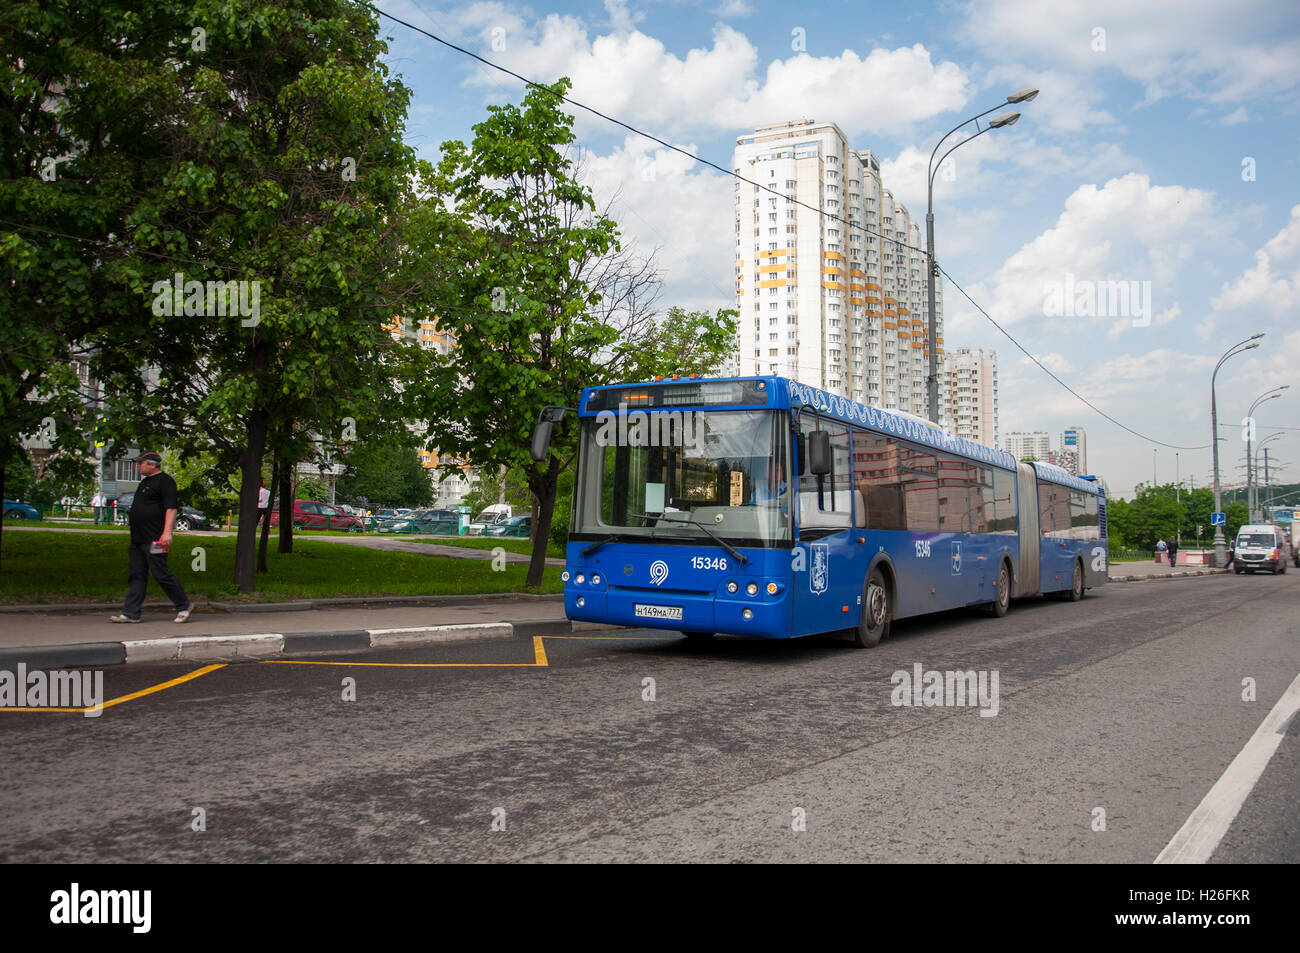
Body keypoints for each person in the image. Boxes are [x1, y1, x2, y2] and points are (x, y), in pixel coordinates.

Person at [109, 451, 194, 624]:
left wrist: (167, 532)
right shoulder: (145, 482)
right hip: (138, 538)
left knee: (161, 573)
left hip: (155, 538)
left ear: (152, 464)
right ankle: (131, 613)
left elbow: (171, 508)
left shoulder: (165, 482)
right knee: (137, 574)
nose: (138, 466)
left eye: (140, 463)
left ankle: (183, 605)